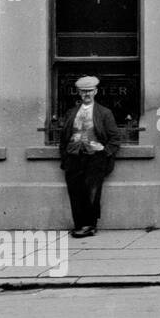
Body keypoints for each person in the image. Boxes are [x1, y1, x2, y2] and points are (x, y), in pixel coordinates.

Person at [58, 76, 122, 238]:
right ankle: (79, 224)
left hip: (94, 158)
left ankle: (89, 225)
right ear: (78, 92)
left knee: (92, 191)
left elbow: (115, 138)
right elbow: (63, 138)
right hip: (73, 157)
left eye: (90, 91)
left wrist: (104, 151)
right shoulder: (71, 113)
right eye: (83, 91)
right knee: (75, 191)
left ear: (96, 92)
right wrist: (65, 158)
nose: (86, 94)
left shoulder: (104, 113)